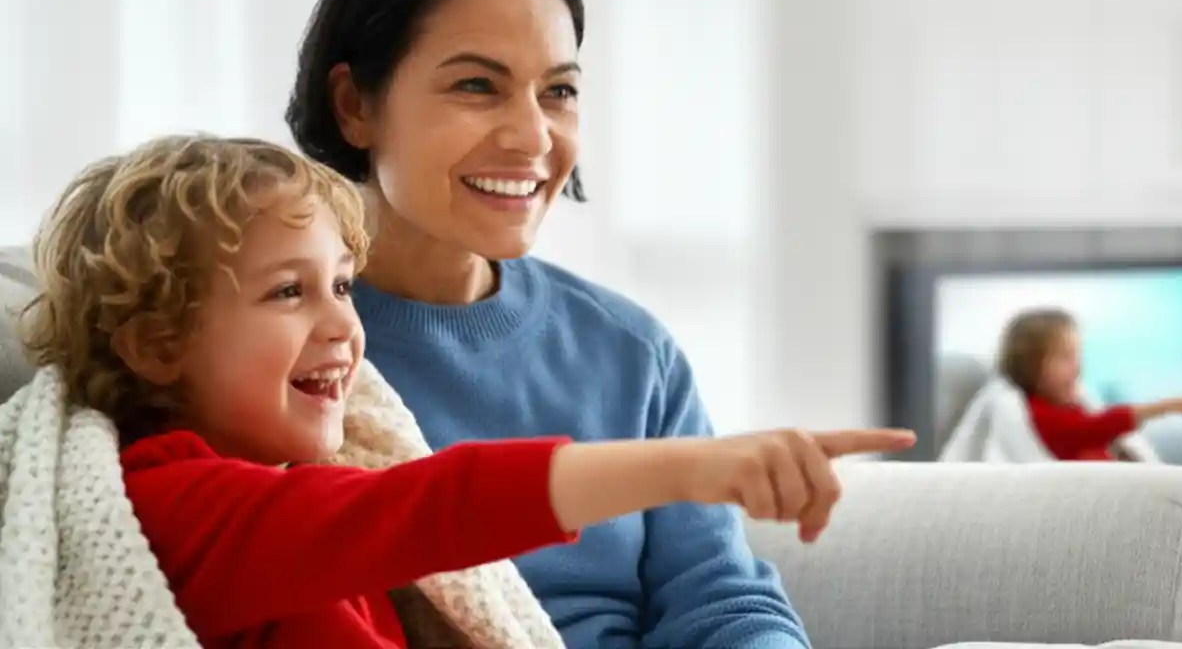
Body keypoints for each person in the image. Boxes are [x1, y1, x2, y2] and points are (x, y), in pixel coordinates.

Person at [19, 135, 915, 649]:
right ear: (156, 344)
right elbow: (435, 505)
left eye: (342, 285)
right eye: (288, 292)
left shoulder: (297, 493)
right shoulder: (176, 507)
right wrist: (689, 467)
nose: (342, 325)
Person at [283, 0, 863, 646]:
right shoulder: (287, 350)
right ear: (354, 105)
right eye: (477, 86)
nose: (533, 137)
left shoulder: (629, 350)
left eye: (557, 92)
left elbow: (720, 601)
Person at [998, 308, 1182, 461]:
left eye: (1077, 355)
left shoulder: (1070, 407)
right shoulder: (1040, 416)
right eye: (1066, 357)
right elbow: (1097, 427)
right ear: (1031, 365)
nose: (1078, 367)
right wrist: (1174, 406)